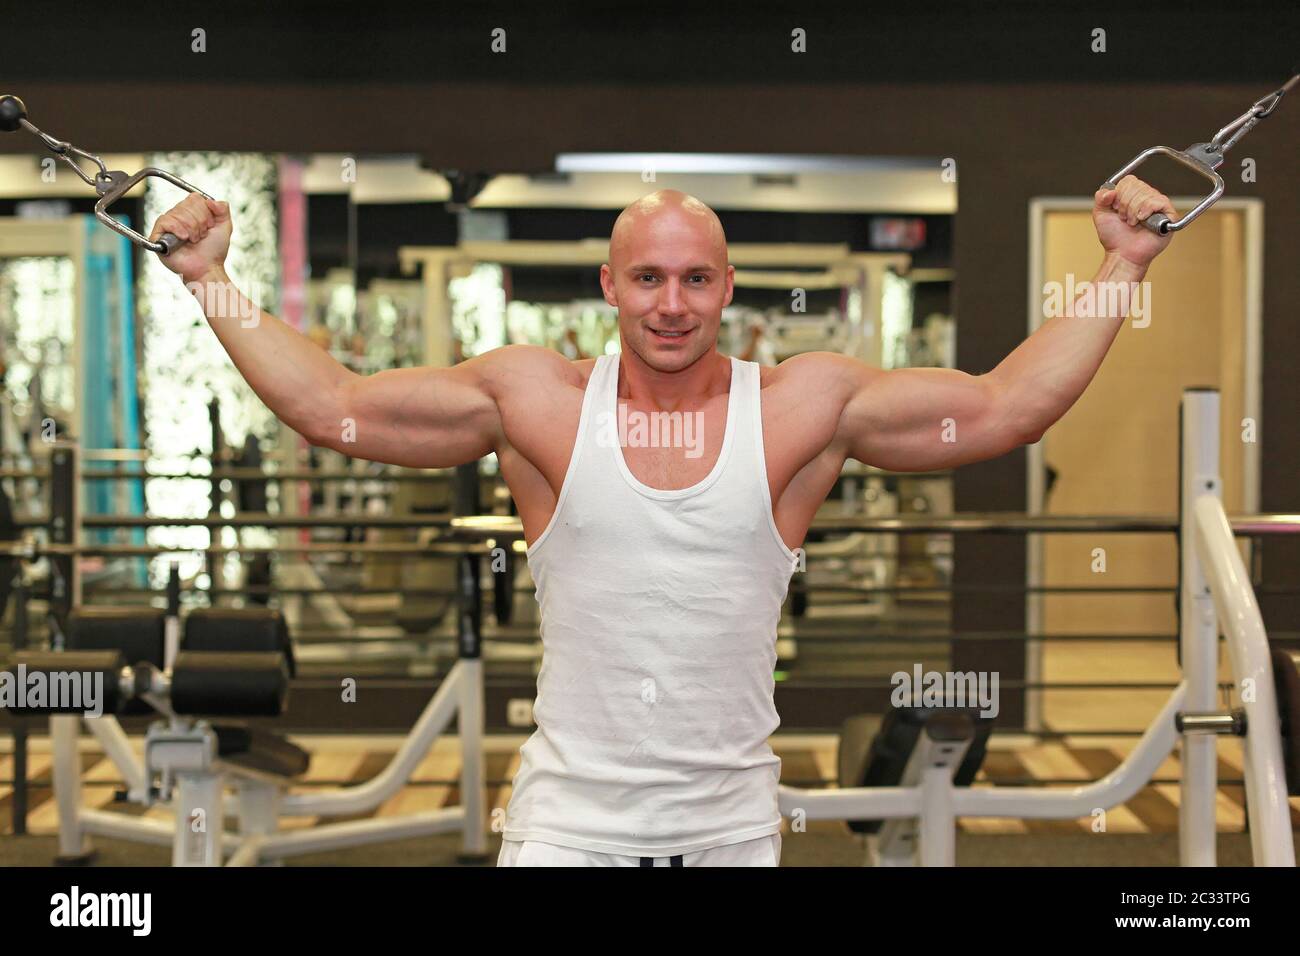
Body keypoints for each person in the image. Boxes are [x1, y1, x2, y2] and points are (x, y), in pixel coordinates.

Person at [150, 178, 1175, 867]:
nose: (671, 303)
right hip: (562, 830)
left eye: (695, 279)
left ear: (727, 287)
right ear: (610, 287)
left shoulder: (798, 409)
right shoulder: (539, 399)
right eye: (648, 277)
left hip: (729, 830)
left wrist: (1122, 265)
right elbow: (337, 405)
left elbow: (1003, 407)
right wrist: (212, 283)